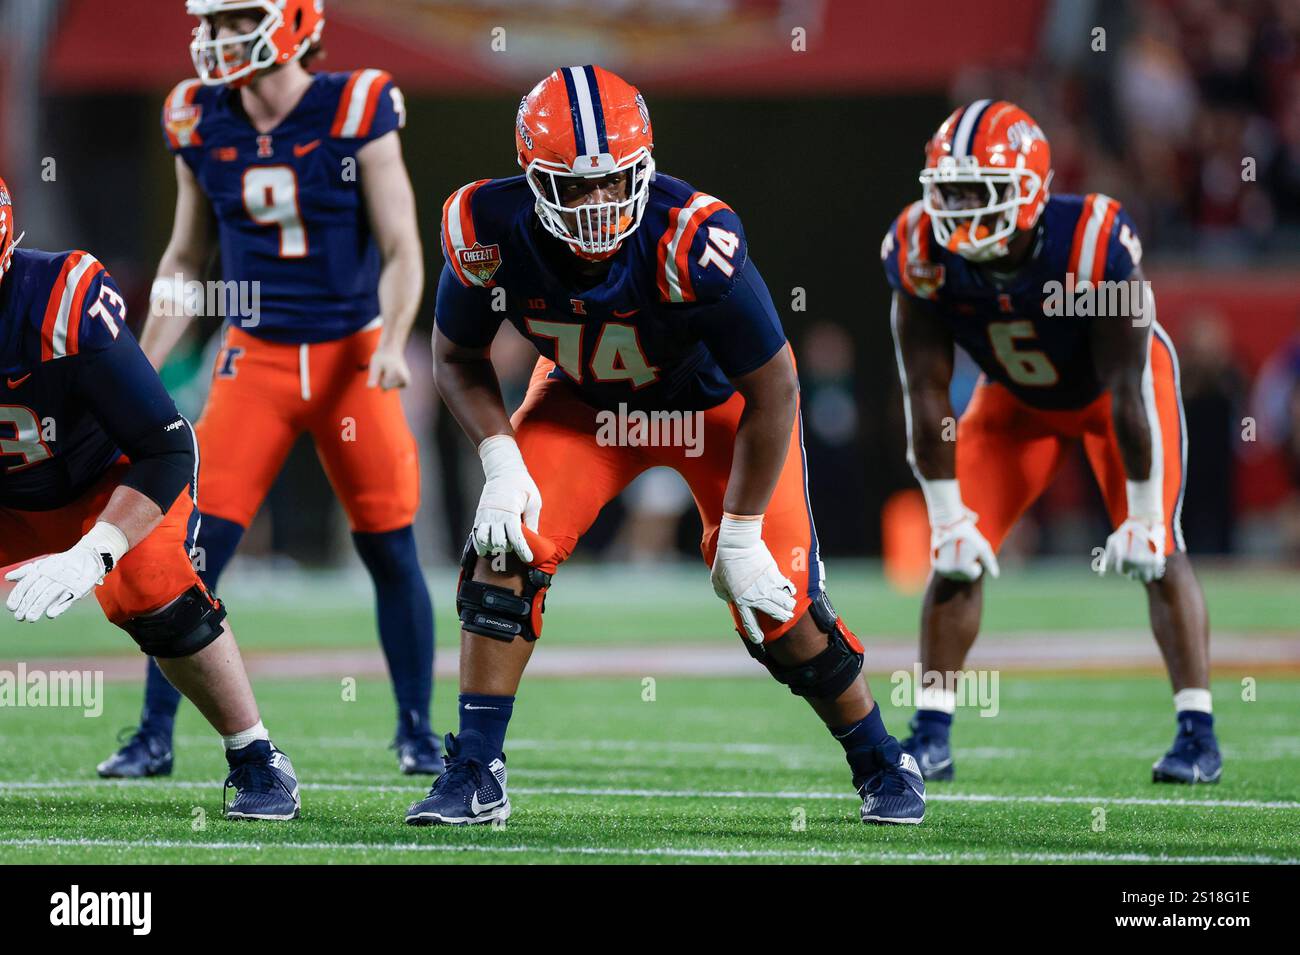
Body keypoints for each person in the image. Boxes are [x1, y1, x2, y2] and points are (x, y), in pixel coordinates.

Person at [408, 65, 926, 827]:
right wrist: (499, 458)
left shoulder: (691, 234)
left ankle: (881, 757)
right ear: (532, 178)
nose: (596, 203)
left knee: (776, 610)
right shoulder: (488, 227)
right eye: (572, 186)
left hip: (714, 410)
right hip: (584, 404)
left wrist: (741, 534)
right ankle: (476, 769)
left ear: (643, 168)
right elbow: (455, 356)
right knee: (504, 552)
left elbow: (777, 385)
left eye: (614, 182)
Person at [97, 0, 440, 779]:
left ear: (293, 19)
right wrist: (142, 367)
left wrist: (392, 338)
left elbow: (401, 247)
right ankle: (153, 734)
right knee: (189, 551)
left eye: (234, 20)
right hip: (256, 354)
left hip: (353, 353)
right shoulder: (197, 117)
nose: (216, 39)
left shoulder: (356, 106)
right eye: (210, 24)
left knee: (389, 545)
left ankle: (418, 730)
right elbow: (186, 263)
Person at [884, 100, 1219, 784]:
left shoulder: (1092, 238)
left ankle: (1198, 731)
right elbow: (923, 393)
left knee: (1160, 551)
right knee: (956, 553)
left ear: (1031, 190)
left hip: (1111, 397)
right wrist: (947, 516)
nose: (957, 207)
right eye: (949, 189)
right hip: (1015, 400)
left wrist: (1146, 516)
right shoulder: (921, 250)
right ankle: (932, 732)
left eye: (978, 191)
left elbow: (1129, 384)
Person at [0, 176, 299, 820]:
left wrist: (97, 550)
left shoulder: (59, 299)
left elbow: (167, 445)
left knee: (153, 590)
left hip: (103, 484)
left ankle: (256, 755)